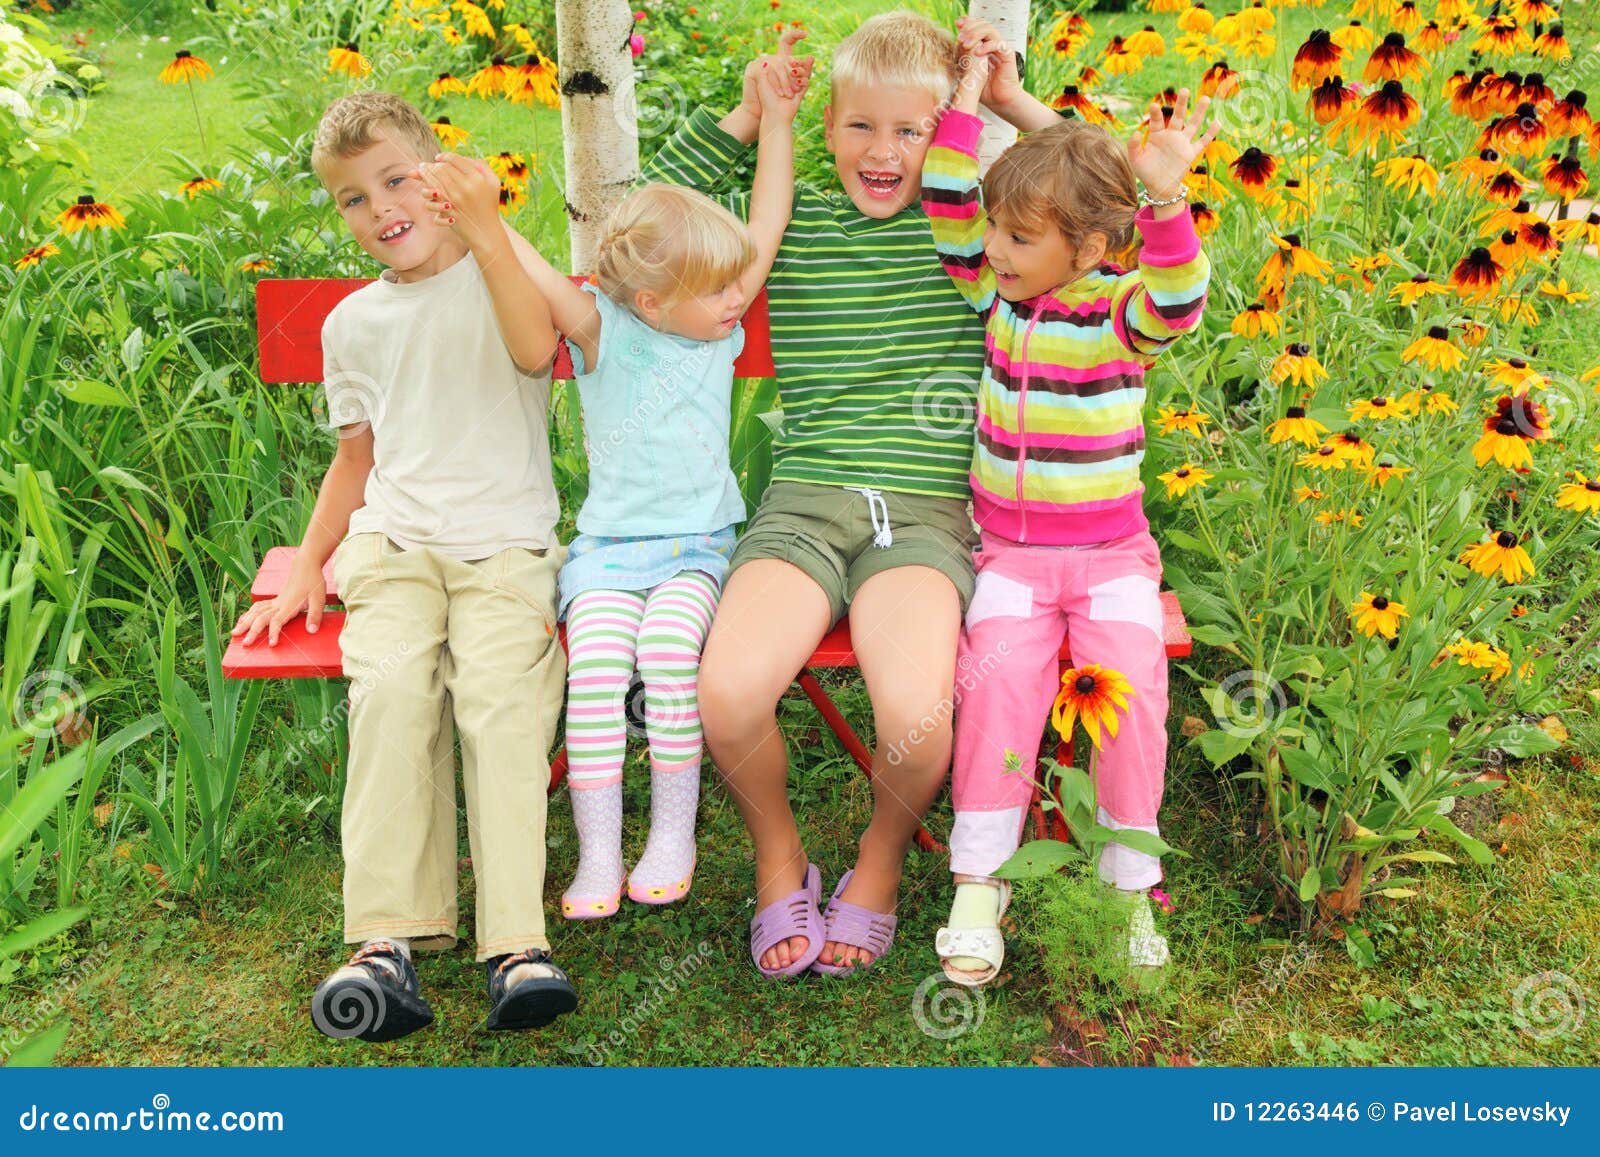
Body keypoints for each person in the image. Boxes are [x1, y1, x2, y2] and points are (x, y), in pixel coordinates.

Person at [643, 13, 988, 977]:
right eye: (859, 126)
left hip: (920, 518)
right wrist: (753, 119)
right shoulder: (788, 219)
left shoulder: (971, 230)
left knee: (919, 723)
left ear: (945, 134)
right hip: (803, 502)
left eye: (911, 130)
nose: (883, 152)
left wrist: (997, 100)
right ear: (827, 123)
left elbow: (1090, 210)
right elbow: (652, 211)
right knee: (726, 691)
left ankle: (879, 859)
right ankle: (777, 851)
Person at [233, 91, 575, 1039]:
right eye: (351, 198)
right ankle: (384, 944)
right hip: (392, 548)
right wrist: (310, 562)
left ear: (436, 173)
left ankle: (518, 945)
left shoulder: (498, 273)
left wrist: (490, 230)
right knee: (389, 694)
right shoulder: (352, 324)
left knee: (500, 702)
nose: (379, 208)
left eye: (394, 181)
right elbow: (357, 456)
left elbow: (534, 346)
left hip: (504, 546)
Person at [437, 60, 807, 921]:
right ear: (651, 298)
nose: (734, 302)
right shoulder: (602, 333)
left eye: (733, 286)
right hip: (606, 558)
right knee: (598, 671)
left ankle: (672, 836)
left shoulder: (713, 333)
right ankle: (600, 852)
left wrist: (776, 120)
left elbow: (768, 222)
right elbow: (533, 272)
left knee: (672, 662)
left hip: (697, 553)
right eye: (716, 288)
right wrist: (481, 217)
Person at [922, 27, 1214, 986]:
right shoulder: (996, 300)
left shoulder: (1117, 313)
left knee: (1131, 690)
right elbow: (951, 200)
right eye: (998, 233)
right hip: (1007, 554)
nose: (995, 248)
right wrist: (978, 94)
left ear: (1087, 248)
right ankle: (980, 880)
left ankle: (1130, 884)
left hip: (1111, 557)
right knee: (996, 687)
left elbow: (1177, 297)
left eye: (1019, 236)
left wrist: (1164, 193)